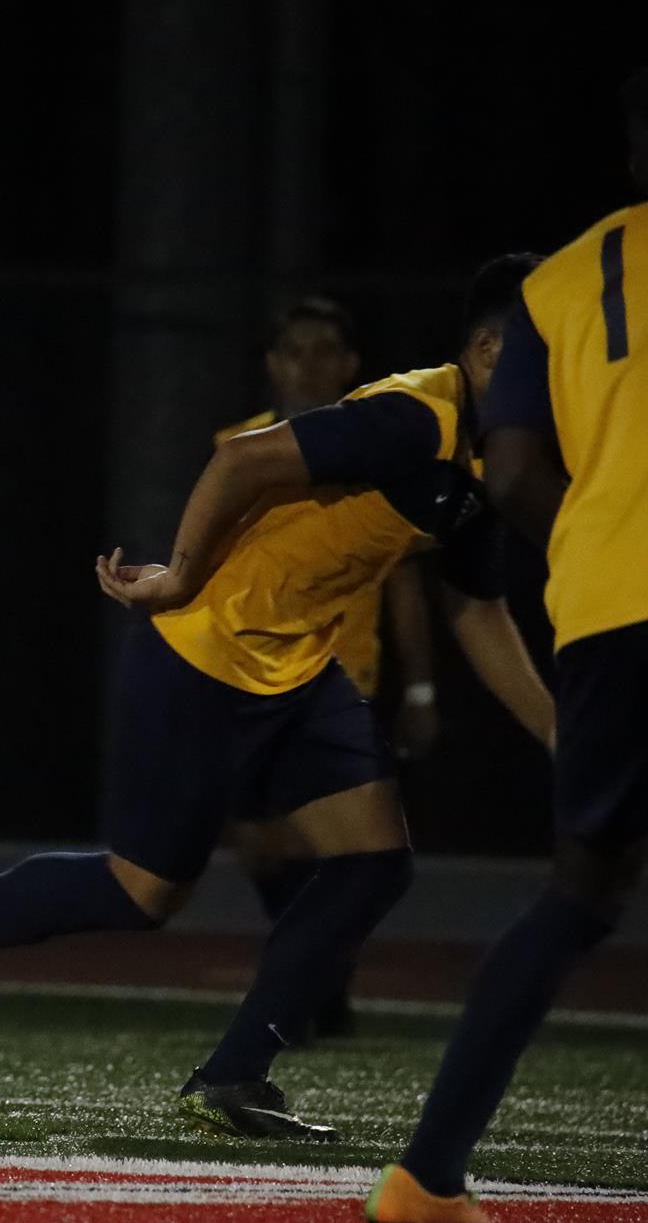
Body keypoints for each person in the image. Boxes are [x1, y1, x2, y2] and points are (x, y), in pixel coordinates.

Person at [0, 254, 554, 1140]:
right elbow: (242, 460)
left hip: (298, 671)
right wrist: (177, 576)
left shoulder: (486, 454)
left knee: (376, 861)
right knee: (141, 894)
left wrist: (557, 732)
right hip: (203, 653)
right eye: (553, 354)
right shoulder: (418, 417)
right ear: (490, 350)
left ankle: (232, 1076)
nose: (566, 378)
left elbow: (475, 604)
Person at [367, 71, 648, 1223]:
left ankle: (422, 1176)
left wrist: (595, 542)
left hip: (601, 610)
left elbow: (517, 470)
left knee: (578, 894)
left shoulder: (550, 285)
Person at [215, 298, 441, 1042]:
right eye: (293, 349)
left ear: (349, 364)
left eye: (323, 349)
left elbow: (405, 581)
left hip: (345, 675)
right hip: (251, 671)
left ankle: (309, 989)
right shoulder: (238, 446)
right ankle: (315, 979)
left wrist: (420, 685)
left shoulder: (384, 445)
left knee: (339, 848)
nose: (307, 363)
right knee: (257, 840)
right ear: (273, 364)